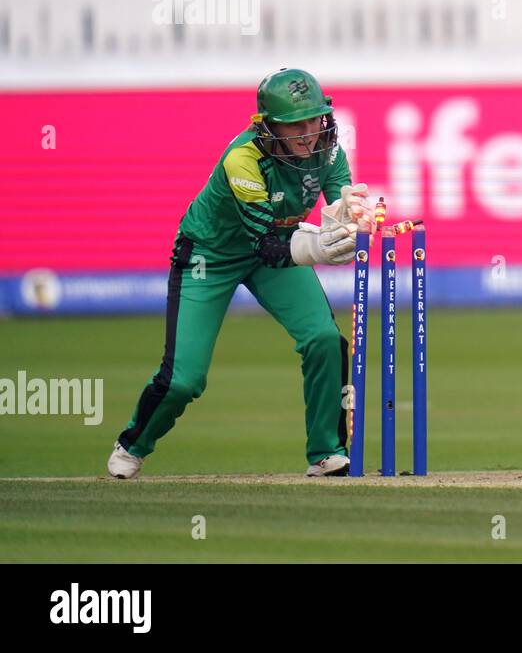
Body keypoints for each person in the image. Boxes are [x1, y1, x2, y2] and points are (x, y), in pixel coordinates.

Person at [108, 69, 372, 480]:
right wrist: (318, 246)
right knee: (184, 380)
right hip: (209, 256)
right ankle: (132, 444)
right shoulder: (243, 158)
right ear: (269, 125)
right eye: (294, 124)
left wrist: (355, 217)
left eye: (313, 120)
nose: (307, 133)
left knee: (323, 340)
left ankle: (325, 452)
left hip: (275, 252)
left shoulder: (329, 151)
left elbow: (341, 204)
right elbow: (264, 243)